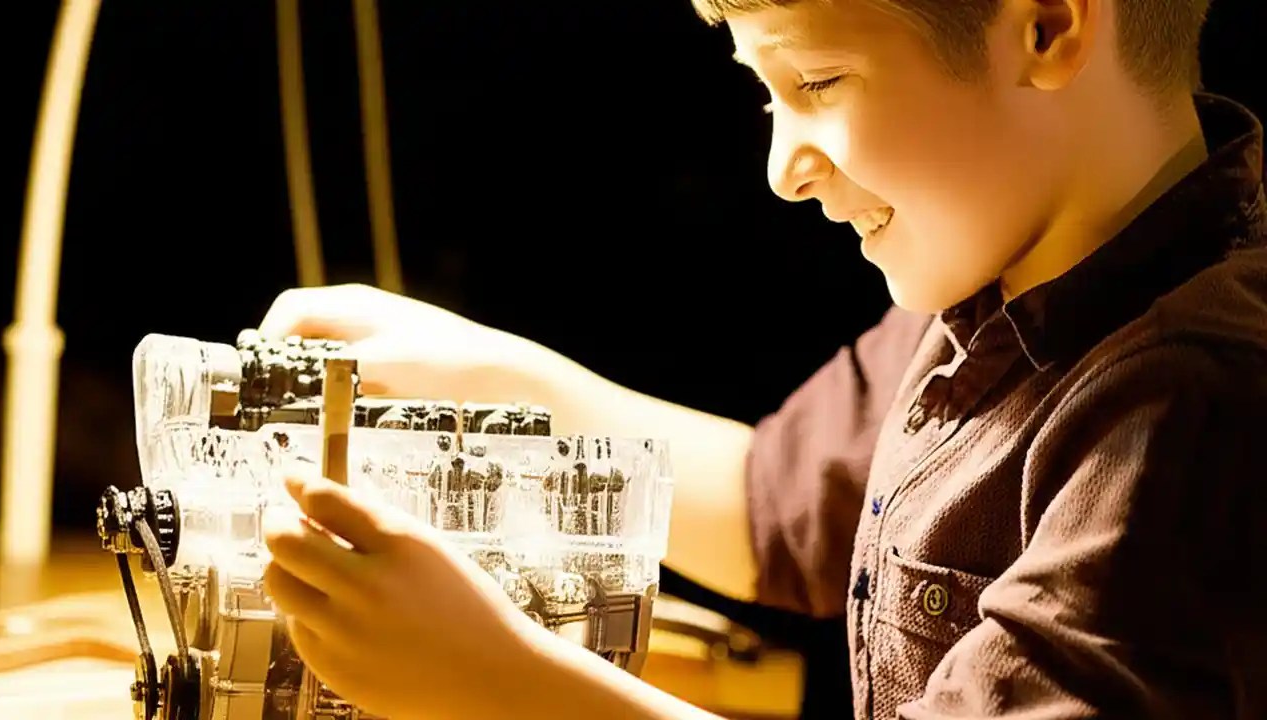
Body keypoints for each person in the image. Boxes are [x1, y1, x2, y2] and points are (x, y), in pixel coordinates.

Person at [255, 0, 1267, 717]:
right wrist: (485, 372)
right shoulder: (997, 280)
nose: (783, 169)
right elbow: (774, 514)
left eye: (817, 80)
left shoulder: (1195, 406)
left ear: (1046, 25)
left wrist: (505, 685)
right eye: (768, 96)